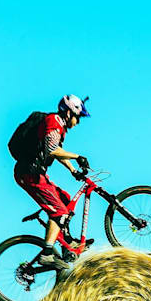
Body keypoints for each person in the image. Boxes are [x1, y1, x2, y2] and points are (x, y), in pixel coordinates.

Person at [13, 95, 91, 271]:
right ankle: (47, 254)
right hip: (29, 174)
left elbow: (57, 151)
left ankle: (67, 244)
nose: (78, 122)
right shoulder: (53, 121)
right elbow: (52, 150)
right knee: (59, 213)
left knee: (65, 199)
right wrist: (77, 157)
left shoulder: (59, 126)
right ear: (68, 112)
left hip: (36, 173)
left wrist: (73, 170)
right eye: (77, 117)